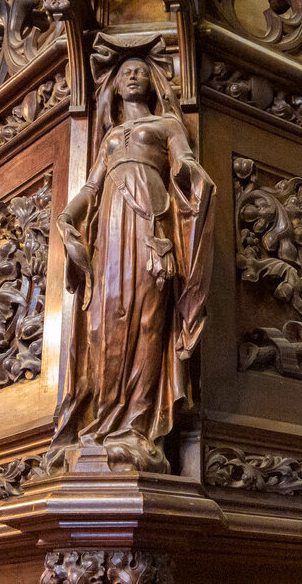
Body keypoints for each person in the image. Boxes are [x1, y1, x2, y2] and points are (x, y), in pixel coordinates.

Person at [52, 34, 215, 473]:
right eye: (126, 72)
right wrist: (66, 218)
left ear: (152, 82)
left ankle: (136, 425)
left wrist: (194, 176)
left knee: (148, 318)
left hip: (150, 226)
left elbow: (184, 162)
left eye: (141, 71)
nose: (133, 76)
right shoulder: (109, 138)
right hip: (109, 231)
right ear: (116, 86)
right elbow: (90, 188)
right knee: (105, 322)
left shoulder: (167, 125)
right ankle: (105, 419)